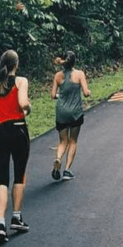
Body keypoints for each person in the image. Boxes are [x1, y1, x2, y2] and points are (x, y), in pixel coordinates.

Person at [0, 49, 31, 243]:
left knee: (1, 178)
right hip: (19, 131)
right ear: (16, 65)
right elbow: (22, 103)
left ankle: (0, 223)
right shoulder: (21, 82)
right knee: (19, 175)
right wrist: (28, 107)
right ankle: (16, 217)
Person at [50, 50, 91, 181]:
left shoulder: (57, 76)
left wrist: (61, 96)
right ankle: (67, 170)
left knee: (63, 141)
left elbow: (52, 95)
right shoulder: (79, 74)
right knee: (73, 141)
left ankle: (57, 159)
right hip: (75, 113)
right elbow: (85, 93)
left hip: (61, 112)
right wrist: (88, 91)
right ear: (74, 62)